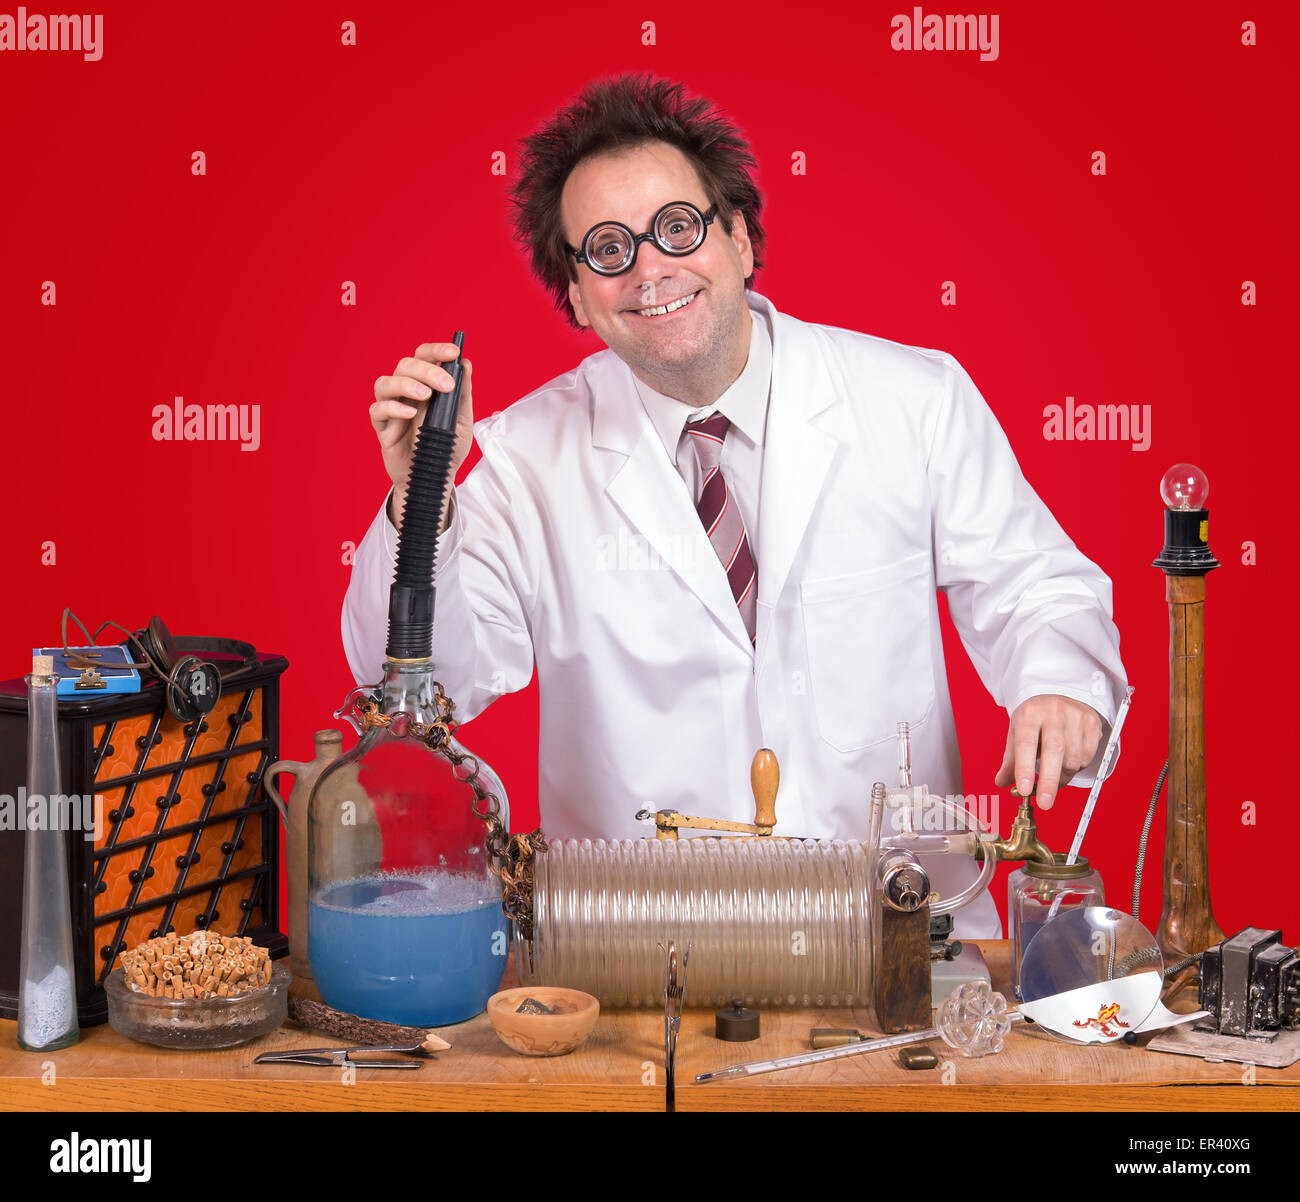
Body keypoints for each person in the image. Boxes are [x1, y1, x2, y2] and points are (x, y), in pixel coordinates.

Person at [342, 75, 1128, 936]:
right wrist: (423, 505)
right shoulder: (528, 457)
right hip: (640, 965)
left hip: (898, 941)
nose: (652, 269)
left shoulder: (914, 400)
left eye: (678, 227)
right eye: (608, 249)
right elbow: (431, 684)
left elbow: (1036, 583)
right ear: (574, 295)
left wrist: (1055, 684)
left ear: (742, 239)